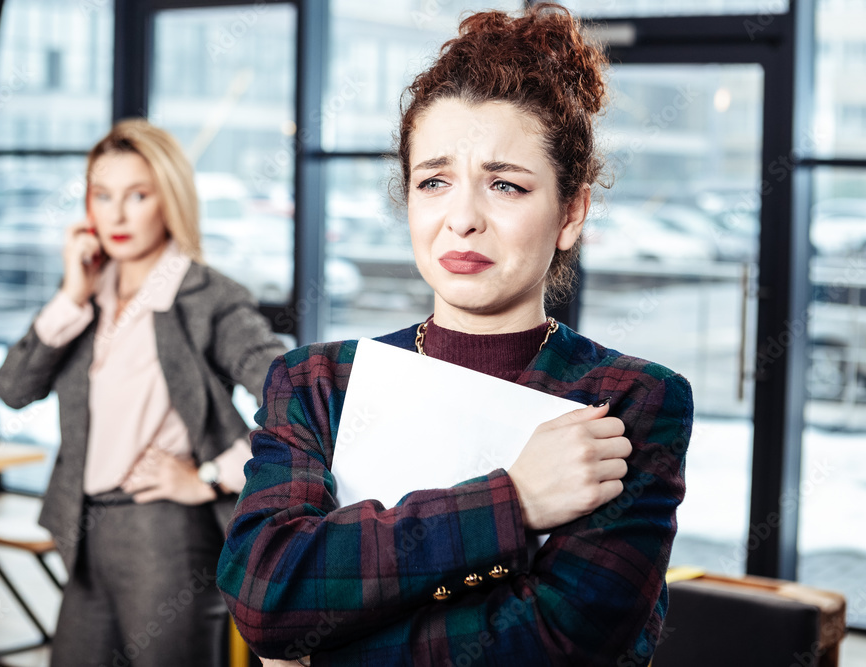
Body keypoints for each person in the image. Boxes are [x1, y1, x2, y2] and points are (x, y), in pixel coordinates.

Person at [217, 5, 693, 666]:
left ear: (571, 212)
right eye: (434, 181)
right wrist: (514, 499)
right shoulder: (316, 382)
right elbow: (267, 590)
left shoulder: (628, 401)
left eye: (504, 184)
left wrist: (324, 645)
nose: (461, 218)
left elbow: (557, 643)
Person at [0, 118, 287, 667]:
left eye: (138, 195)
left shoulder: (206, 296)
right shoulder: (89, 294)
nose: (117, 214)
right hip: (83, 529)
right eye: (103, 195)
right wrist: (72, 295)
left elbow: (294, 402)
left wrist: (209, 475)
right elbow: (11, 389)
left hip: (164, 533)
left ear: (167, 198)